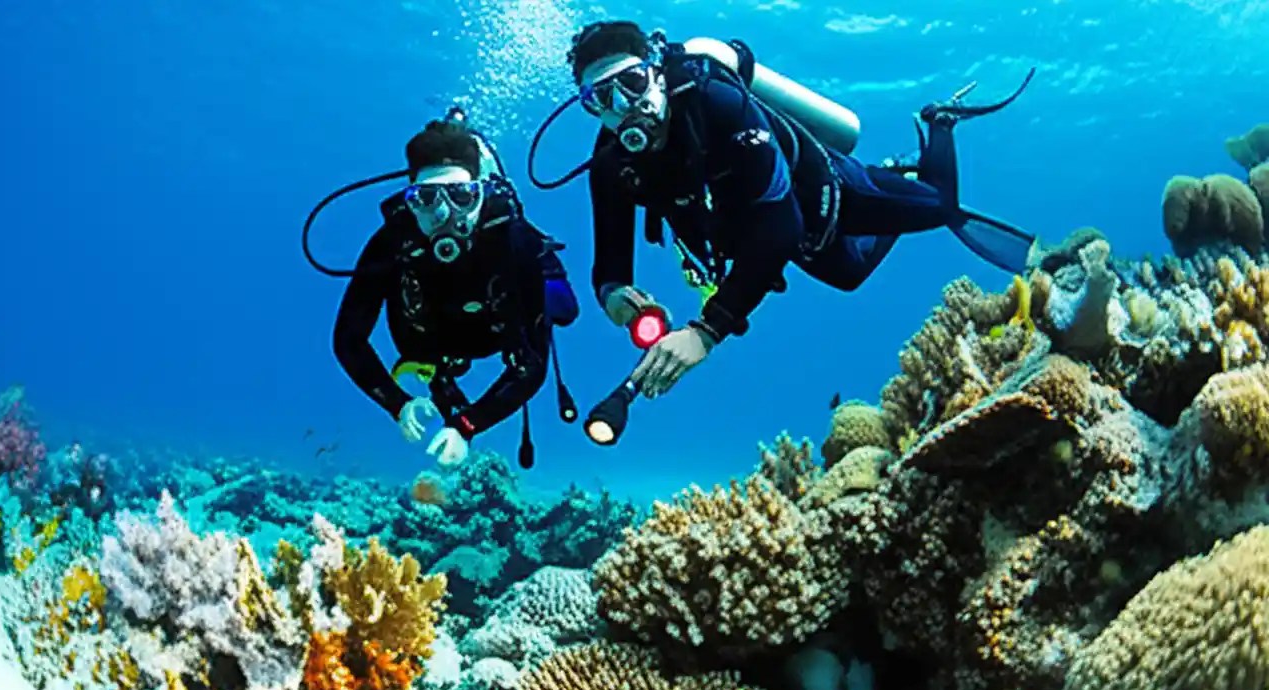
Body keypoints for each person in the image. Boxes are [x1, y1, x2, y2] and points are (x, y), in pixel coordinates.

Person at [531, 21, 1037, 400]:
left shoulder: (717, 102)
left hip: (828, 196)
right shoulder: (611, 165)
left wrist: (706, 332)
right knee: (850, 274)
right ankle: (895, 171)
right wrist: (618, 298)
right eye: (601, 98)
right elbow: (609, 265)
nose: (624, 105)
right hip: (763, 237)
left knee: (942, 208)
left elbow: (781, 229)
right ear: (591, 109)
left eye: (633, 83)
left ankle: (938, 123)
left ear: (658, 77)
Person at [305, 109, 580, 469]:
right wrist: (398, 403)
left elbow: (532, 364)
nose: (444, 214)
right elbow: (348, 340)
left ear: (481, 195)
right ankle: (440, 381)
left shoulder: (513, 239)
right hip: (433, 349)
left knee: (560, 309)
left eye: (461, 196)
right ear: (410, 199)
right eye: (427, 198)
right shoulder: (392, 242)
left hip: (497, 334)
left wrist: (467, 426)